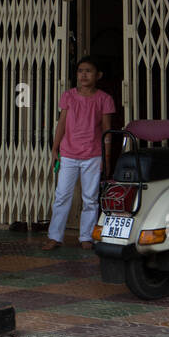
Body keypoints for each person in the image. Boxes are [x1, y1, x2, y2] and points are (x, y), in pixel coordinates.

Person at [45, 56, 115, 251]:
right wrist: (54, 149)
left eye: (88, 71)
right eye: (80, 71)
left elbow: (107, 131)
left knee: (90, 198)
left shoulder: (104, 99)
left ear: (98, 75)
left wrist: (106, 158)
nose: (83, 75)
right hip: (68, 154)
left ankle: (86, 237)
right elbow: (62, 124)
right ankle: (54, 236)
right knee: (62, 196)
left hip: (93, 155)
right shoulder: (68, 96)